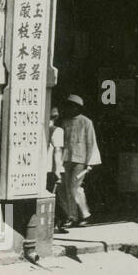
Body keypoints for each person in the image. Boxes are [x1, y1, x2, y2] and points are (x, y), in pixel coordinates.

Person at [55, 95, 100, 231]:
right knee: (64, 188)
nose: (70, 108)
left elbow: (91, 142)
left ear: (78, 107)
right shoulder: (65, 122)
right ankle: (71, 216)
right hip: (66, 158)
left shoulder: (86, 122)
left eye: (73, 106)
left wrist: (90, 162)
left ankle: (84, 215)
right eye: (68, 105)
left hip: (80, 159)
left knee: (75, 187)